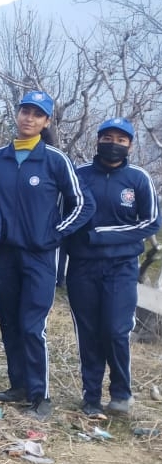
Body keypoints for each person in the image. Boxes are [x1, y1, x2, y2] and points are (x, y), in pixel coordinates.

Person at [0, 90, 94, 419]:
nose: (29, 118)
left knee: (32, 325)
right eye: (25, 111)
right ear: (16, 114)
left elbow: (83, 203)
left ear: (46, 121)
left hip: (39, 258)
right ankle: (18, 384)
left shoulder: (54, 160)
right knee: (9, 323)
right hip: (4, 256)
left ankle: (40, 396)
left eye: (37, 114)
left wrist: (56, 233)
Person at [66, 117, 160, 419]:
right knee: (89, 332)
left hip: (121, 268)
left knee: (116, 330)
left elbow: (151, 222)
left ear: (129, 145)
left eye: (121, 140)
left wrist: (102, 235)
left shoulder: (138, 178)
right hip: (82, 267)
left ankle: (121, 393)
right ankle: (91, 395)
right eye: (108, 138)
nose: (114, 145)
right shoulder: (78, 175)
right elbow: (64, 214)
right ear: (97, 141)